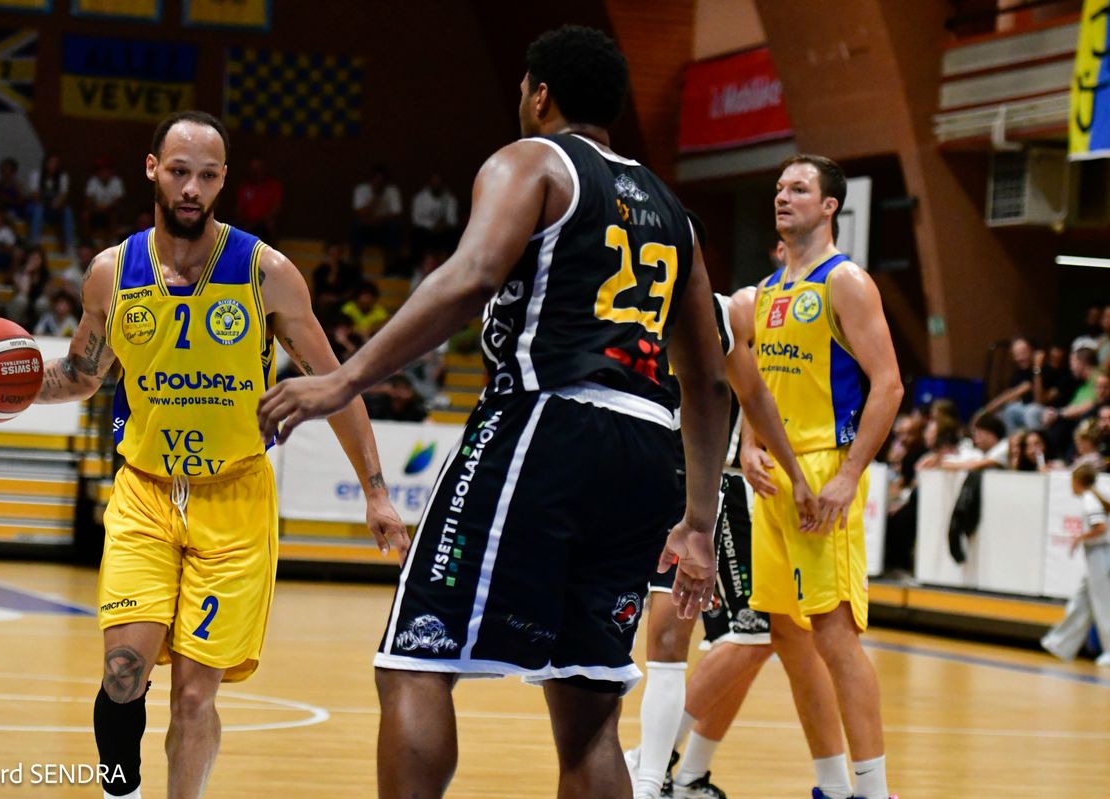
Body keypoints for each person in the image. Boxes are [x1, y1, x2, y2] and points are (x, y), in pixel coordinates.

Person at [258, 26, 732, 799]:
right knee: (588, 718)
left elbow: (473, 274)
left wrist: (345, 378)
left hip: (548, 421)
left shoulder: (533, 161)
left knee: (416, 660)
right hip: (650, 450)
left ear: (541, 93)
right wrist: (699, 521)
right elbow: (709, 382)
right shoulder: (674, 212)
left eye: (522, 87)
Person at [0, 110, 407, 799]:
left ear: (222, 181)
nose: (191, 187)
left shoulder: (266, 274)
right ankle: (119, 791)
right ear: (153, 169)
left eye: (206, 175)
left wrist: (375, 490)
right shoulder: (111, 272)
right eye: (179, 170)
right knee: (123, 671)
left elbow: (339, 384)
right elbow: (84, 374)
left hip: (234, 501)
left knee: (191, 696)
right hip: (146, 493)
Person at [627, 229, 820, 799]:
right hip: (704, 488)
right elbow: (756, 389)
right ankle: (649, 762)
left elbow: (758, 388)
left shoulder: (626, 304)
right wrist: (773, 454)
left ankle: (678, 774)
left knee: (688, 643)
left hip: (639, 478)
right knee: (746, 634)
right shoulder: (722, 310)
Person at [749, 154, 902, 799]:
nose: (784, 197)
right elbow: (758, 384)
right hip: (774, 477)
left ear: (830, 205)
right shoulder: (767, 289)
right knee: (787, 631)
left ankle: (873, 792)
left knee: (835, 634)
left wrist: (848, 476)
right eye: (781, 188)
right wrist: (750, 444)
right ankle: (833, 786)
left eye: (800, 189)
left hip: (824, 472)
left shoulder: (848, 283)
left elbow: (889, 385)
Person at [1041, 463, 1110, 666]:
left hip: (1100, 555)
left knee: (1103, 604)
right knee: (1082, 601)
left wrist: (1079, 538)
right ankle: (1060, 643)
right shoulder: (1095, 497)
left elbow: (1100, 527)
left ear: (1078, 481)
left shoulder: (1089, 500)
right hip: (1097, 555)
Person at [234, 157, 283, 244]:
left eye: (259, 168)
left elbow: (275, 210)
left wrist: (255, 223)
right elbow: (239, 210)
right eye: (253, 169)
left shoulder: (273, 186)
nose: (256, 172)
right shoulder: (245, 187)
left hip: (264, 223)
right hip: (247, 223)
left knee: (270, 226)